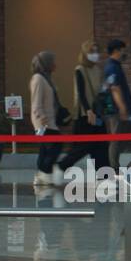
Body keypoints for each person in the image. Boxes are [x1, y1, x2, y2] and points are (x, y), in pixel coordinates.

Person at [57, 39, 109, 173]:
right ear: (85, 53)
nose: (95, 54)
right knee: (83, 146)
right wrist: (88, 111)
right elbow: (81, 93)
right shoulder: (80, 70)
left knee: (101, 146)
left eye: (97, 51)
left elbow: (101, 92)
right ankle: (61, 166)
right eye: (92, 51)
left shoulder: (98, 70)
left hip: (98, 113)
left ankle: (103, 176)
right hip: (84, 115)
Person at [28, 51, 66, 185]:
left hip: (49, 120)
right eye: (52, 61)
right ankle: (44, 172)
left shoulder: (46, 78)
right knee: (56, 144)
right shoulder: (38, 78)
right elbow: (36, 102)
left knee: (46, 148)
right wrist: (42, 118)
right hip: (43, 122)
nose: (55, 64)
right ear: (46, 63)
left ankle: (41, 175)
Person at [103, 38, 131, 169]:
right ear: (116, 51)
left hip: (121, 109)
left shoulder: (116, 66)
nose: (124, 53)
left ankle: (114, 164)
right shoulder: (112, 67)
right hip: (116, 111)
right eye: (123, 50)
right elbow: (114, 88)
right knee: (116, 139)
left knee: (126, 134)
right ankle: (113, 167)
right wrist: (122, 108)